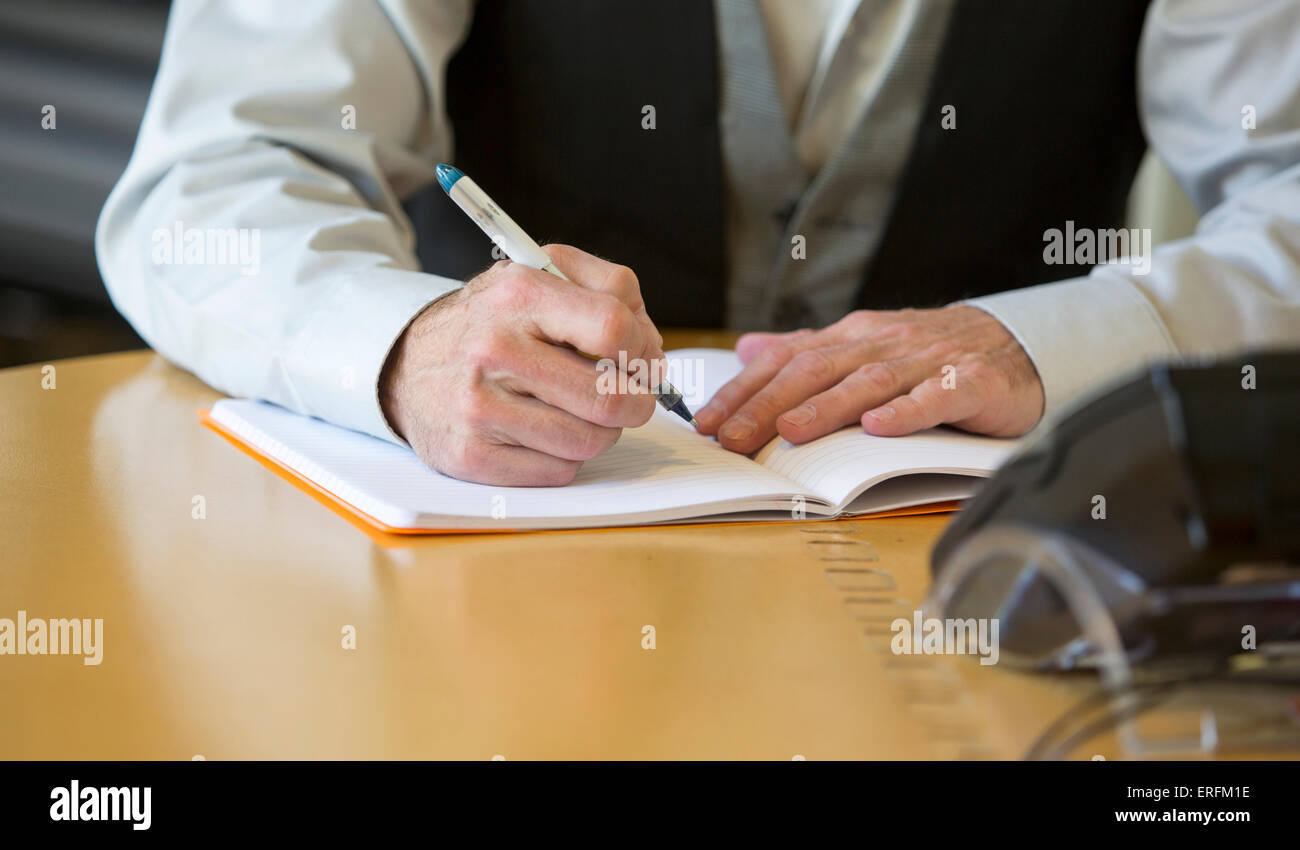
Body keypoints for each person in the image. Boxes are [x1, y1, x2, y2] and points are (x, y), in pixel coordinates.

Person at [98, 0, 1300, 485]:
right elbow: (215, 171)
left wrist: (1052, 337)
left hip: (968, 550)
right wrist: (404, 342)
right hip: (505, 559)